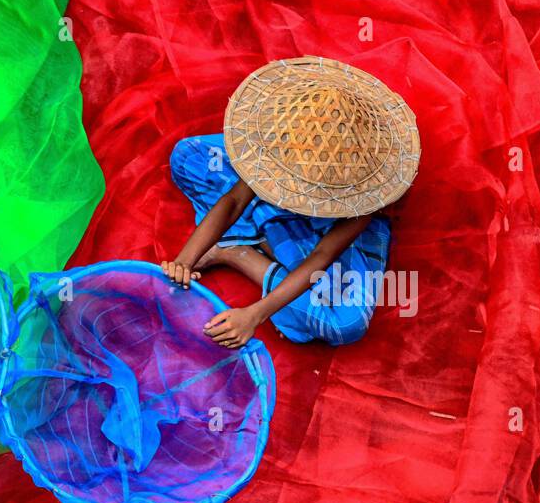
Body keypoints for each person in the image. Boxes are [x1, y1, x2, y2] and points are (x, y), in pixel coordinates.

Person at [160, 56, 419, 349]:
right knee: (188, 155)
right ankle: (264, 237)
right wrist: (185, 260)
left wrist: (255, 314)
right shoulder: (279, 145)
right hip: (274, 190)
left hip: (322, 233)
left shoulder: (364, 192)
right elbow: (233, 201)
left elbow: (321, 256)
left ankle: (238, 252)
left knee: (346, 324)